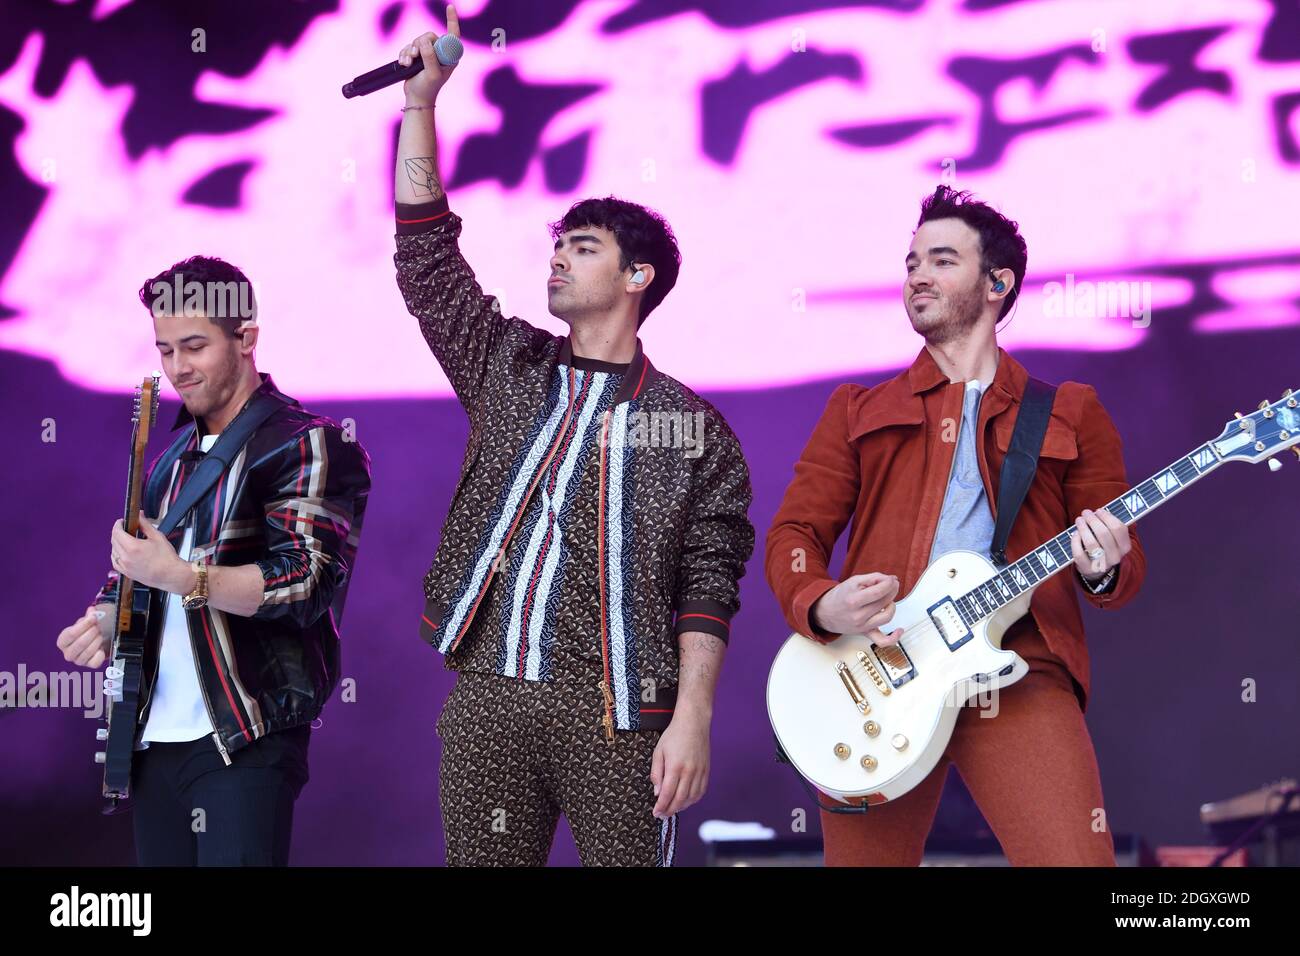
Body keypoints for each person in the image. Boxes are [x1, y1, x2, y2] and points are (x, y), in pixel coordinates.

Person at [393, 8, 754, 866]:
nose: (555, 257)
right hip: (488, 693)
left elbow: (709, 583)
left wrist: (694, 716)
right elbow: (426, 263)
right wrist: (420, 105)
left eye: (581, 247)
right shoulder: (509, 364)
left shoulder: (692, 425)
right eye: (557, 243)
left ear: (637, 277)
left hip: (618, 708)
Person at [766, 185, 1148, 866]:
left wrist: (1104, 563)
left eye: (941, 260)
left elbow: (1121, 569)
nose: (917, 275)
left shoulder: (1068, 412)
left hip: (1018, 669)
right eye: (911, 261)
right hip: (876, 664)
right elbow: (793, 535)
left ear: (998, 283)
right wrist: (821, 603)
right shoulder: (856, 408)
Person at [56, 255, 371, 865]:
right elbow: (139, 566)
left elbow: (306, 583)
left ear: (246, 338)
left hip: (242, 733)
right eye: (165, 349)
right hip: (152, 737)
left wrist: (183, 578)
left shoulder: (307, 440)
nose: (177, 367)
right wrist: (108, 612)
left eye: (194, 346)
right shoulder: (170, 455)